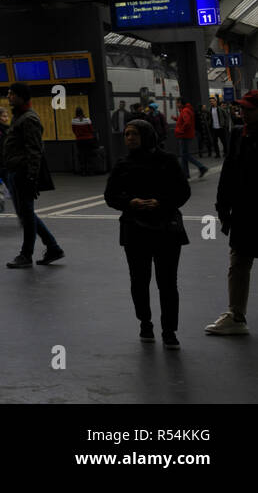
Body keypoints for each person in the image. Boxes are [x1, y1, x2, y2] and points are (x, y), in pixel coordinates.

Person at [105, 118, 190, 349]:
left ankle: (169, 330)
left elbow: (183, 191)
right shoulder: (122, 164)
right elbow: (110, 196)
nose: (129, 138)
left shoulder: (168, 161)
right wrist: (129, 202)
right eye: (126, 134)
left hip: (164, 229)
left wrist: (161, 203)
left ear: (147, 136)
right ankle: (145, 322)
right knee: (139, 281)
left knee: (167, 283)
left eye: (134, 134)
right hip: (136, 229)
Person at [206, 88, 258, 336]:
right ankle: (236, 316)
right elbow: (228, 171)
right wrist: (222, 206)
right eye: (242, 108)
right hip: (244, 211)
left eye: (249, 109)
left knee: (239, 261)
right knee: (238, 261)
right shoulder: (238, 133)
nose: (243, 113)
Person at [2, 83, 64, 269]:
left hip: (22, 173)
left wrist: (31, 178)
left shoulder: (29, 119)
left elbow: (34, 151)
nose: (8, 97)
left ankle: (26, 255)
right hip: (16, 172)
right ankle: (52, 247)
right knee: (26, 213)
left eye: (12, 94)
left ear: (21, 96)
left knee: (26, 215)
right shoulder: (20, 117)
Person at [173, 98, 209, 180]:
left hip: (184, 135)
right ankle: (185, 174)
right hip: (186, 135)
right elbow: (184, 120)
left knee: (185, 155)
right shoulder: (185, 110)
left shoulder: (185, 110)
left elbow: (187, 122)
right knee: (184, 155)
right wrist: (176, 119)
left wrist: (181, 130)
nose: (176, 104)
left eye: (177, 103)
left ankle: (201, 167)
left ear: (180, 103)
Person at [71, 106, 96, 175]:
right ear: (82, 112)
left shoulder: (73, 120)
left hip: (80, 140)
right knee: (89, 155)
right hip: (89, 140)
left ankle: (83, 171)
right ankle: (90, 171)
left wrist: (79, 135)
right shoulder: (87, 120)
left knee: (82, 155)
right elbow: (91, 130)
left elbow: (74, 130)